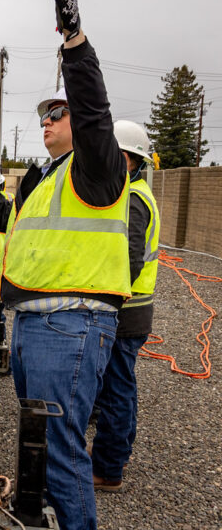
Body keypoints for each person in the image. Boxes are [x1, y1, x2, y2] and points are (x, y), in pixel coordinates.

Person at [0, 0, 130, 530]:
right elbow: (4, 219)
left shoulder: (96, 169)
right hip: (36, 324)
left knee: (61, 454)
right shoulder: (45, 179)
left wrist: (74, 42)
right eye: (42, 115)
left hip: (70, 324)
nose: (46, 122)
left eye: (57, 113)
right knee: (40, 446)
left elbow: (95, 112)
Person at [91, 120, 160, 492]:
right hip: (133, 310)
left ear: (130, 161)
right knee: (122, 386)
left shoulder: (133, 200)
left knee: (115, 389)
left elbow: (129, 259)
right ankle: (116, 454)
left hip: (126, 310)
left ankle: (107, 468)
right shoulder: (132, 193)